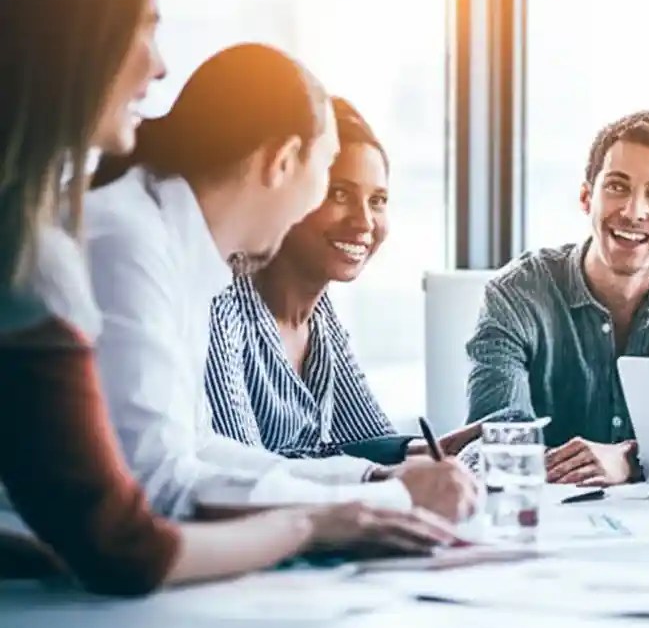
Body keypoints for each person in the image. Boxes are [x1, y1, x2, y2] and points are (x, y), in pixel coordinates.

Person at [0, 0, 454, 596]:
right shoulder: (116, 239)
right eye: (327, 177)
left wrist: (367, 487)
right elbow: (146, 508)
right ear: (283, 161)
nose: (158, 67)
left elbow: (191, 449)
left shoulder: (163, 243)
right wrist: (319, 523)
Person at [88, 44, 476, 522]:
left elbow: (201, 450)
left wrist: (374, 480)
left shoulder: (179, 254)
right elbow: (162, 486)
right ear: (284, 161)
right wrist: (378, 502)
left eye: (379, 200)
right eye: (328, 180)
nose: (362, 222)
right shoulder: (133, 245)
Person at [450, 110, 649, 486]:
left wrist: (629, 461)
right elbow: (495, 444)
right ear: (587, 197)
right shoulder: (515, 293)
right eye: (617, 187)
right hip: (549, 519)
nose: (634, 211)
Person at [205, 97, 425, 465]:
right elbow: (242, 474)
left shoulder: (319, 314)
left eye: (378, 200)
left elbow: (365, 438)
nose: (365, 223)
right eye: (339, 194)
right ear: (293, 191)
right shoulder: (222, 301)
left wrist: (431, 451)